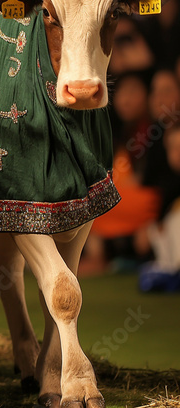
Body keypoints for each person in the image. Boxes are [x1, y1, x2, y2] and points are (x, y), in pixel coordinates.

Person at [82, 72, 160, 275]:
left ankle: (99, 259)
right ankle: (99, 258)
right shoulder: (118, 131)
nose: (125, 99)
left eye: (133, 92)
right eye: (121, 93)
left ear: (147, 96)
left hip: (147, 201)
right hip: (125, 196)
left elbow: (148, 180)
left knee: (94, 202)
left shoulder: (153, 131)